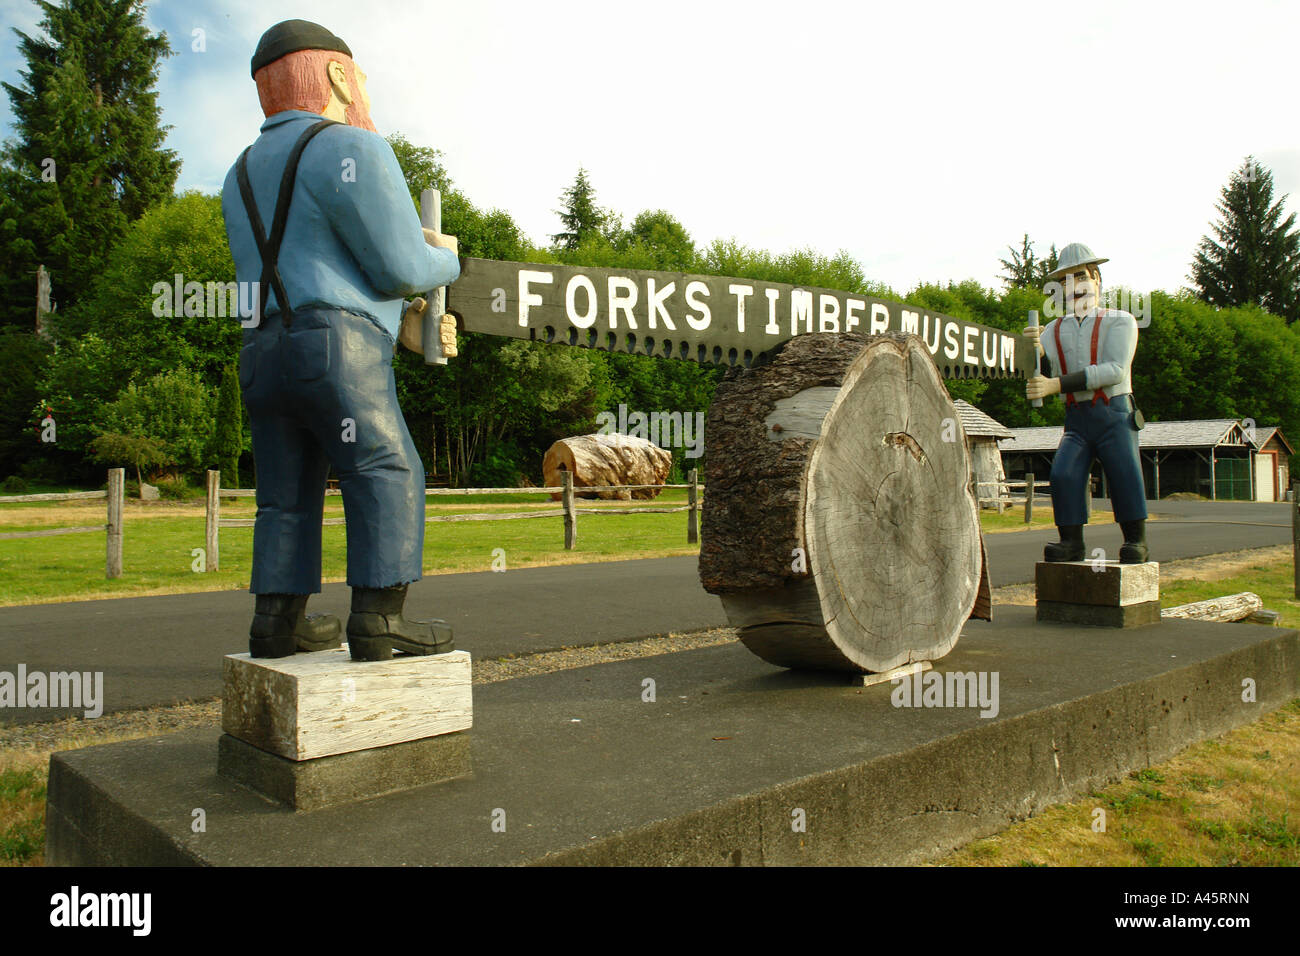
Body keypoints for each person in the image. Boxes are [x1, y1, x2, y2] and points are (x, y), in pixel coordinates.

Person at [222, 19, 460, 661]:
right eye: (358, 79)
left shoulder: (236, 174)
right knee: (385, 467)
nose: (364, 93)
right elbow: (401, 267)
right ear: (334, 74)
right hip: (338, 349)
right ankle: (380, 620)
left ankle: (276, 622)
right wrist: (445, 259)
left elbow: (302, 257)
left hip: (262, 349)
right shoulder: (350, 149)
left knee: (283, 493)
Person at [1024, 242, 1149, 564]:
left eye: (1080, 276)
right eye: (1065, 279)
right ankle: (1071, 542)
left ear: (1096, 279)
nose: (1073, 285)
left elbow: (1114, 370)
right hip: (1077, 417)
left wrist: (1055, 385)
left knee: (1124, 472)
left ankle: (1136, 539)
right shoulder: (1053, 329)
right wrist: (1030, 350)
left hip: (1114, 413)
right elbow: (1043, 362)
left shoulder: (1121, 321)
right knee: (1064, 475)